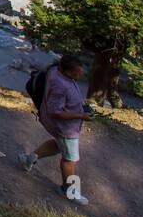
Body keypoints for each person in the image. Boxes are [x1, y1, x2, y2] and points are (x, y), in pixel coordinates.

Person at [18, 54, 93, 205]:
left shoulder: (55, 71)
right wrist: (81, 115)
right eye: (78, 72)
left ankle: (29, 159)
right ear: (67, 71)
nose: (81, 75)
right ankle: (68, 189)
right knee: (70, 159)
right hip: (65, 128)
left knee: (59, 145)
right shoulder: (61, 86)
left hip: (65, 127)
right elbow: (55, 111)